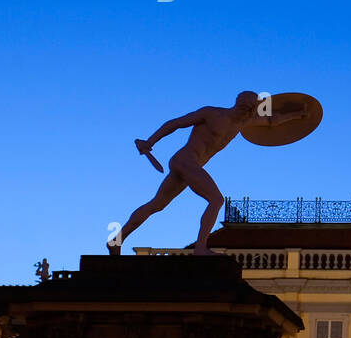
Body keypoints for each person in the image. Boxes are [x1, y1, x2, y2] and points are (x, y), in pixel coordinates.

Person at [108, 91, 304, 255]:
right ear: (239, 104)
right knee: (216, 200)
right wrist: (150, 142)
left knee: (156, 205)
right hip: (185, 160)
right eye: (248, 108)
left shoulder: (244, 121)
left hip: (190, 166)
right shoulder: (212, 114)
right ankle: (201, 247)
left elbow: (272, 121)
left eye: (253, 109)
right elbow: (175, 123)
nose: (250, 112)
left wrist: (299, 114)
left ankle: (117, 240)